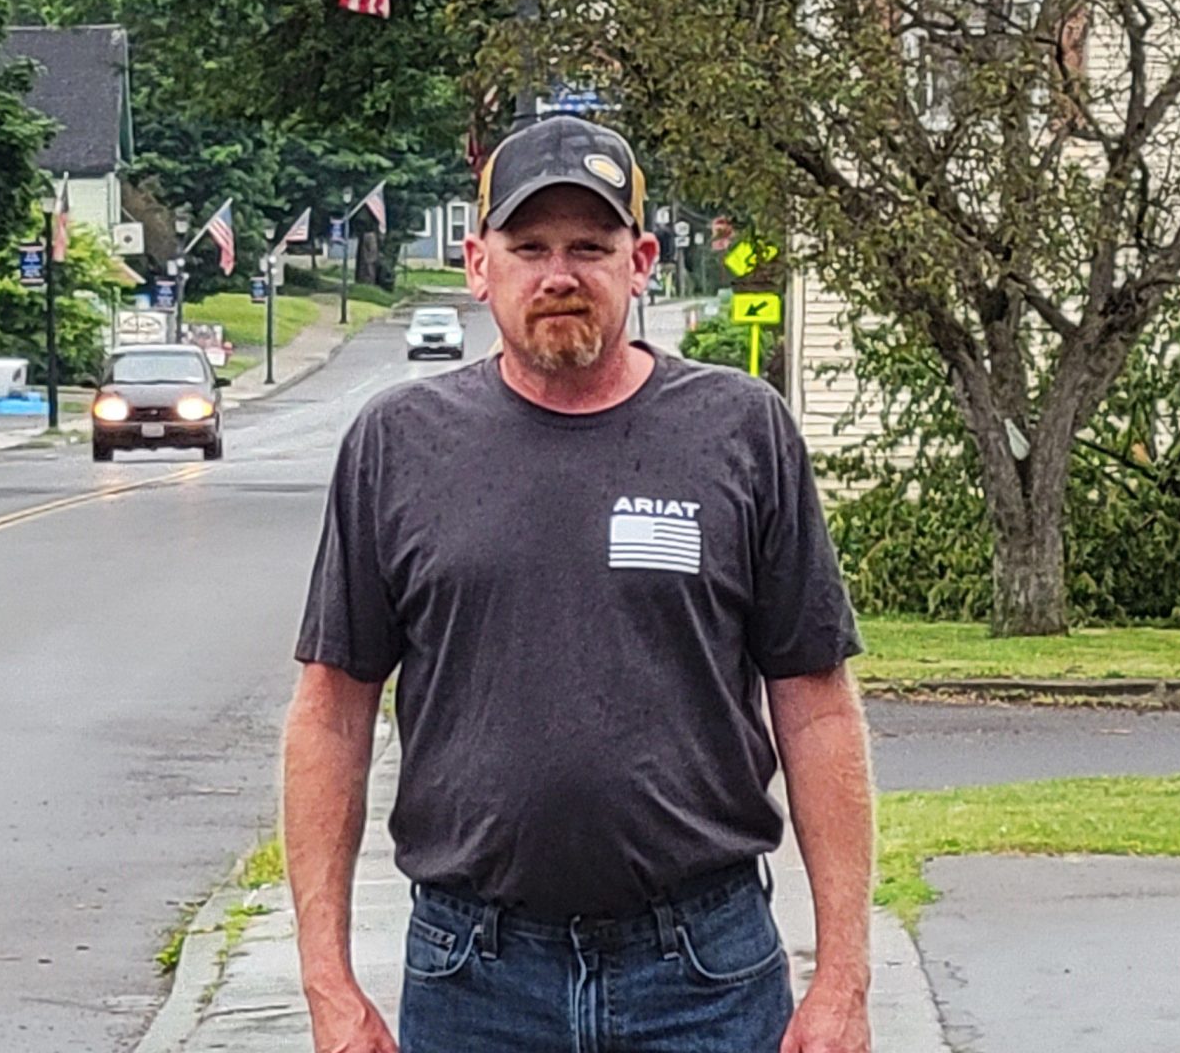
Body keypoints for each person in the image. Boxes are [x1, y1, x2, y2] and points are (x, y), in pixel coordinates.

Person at [283, 113, 873, 1053]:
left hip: (706, 974)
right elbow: (330, 713)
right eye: (530, 247)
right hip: (473, 975)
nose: (560, 274)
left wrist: (844, 977)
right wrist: (327, 980)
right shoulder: (396, 446)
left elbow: (816, 707)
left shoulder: (742, 431)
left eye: (591, 247)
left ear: (639, 262)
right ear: (480, 265)